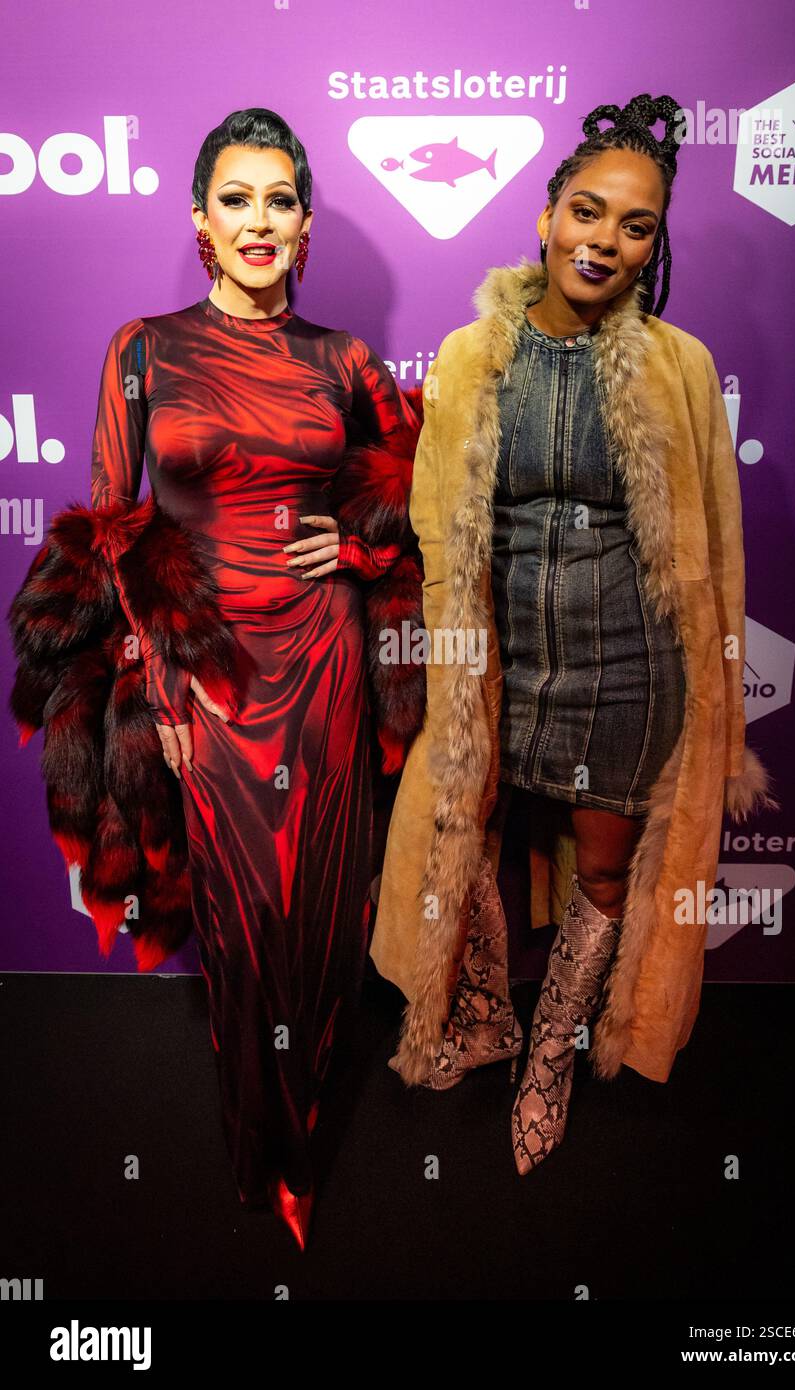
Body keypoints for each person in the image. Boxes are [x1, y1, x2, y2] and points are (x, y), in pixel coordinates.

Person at [7, 108, 423, 1247]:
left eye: (279, 199)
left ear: (302, 224)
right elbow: (111, 524)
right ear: (200, 219)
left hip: (326, 660)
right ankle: (266, 1142)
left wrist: (355, 546)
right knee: (242, 924)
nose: (257, 220)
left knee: (324, 920)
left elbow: (413, 505)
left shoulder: (344, 360)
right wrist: (151, 679)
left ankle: (304, 1123)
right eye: (234, 198)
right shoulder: (141, 348)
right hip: (208, 674)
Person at [371, 93, 779, 1174]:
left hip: (623, 669)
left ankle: (551, 1046)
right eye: (586, 212)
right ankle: (487, 1018)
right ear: (547, 213)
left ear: (652, 245)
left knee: (603, 875)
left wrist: (714, 693)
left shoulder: (678, 366)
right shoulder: (468, 355)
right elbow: (435, 527)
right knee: (469, 842)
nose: (602, 241)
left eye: (632, 226)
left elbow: (711, 549)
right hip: (501, 670)